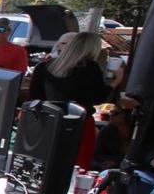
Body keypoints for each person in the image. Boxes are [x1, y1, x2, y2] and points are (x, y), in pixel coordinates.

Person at [29, 31, 115, 169]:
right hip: (79, 124)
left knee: (47, 166)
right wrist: (114, 83)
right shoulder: (89, 68)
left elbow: (35, 96)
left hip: (48, 121)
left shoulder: (44, 67)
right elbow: (97, 98)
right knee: (76, 167)